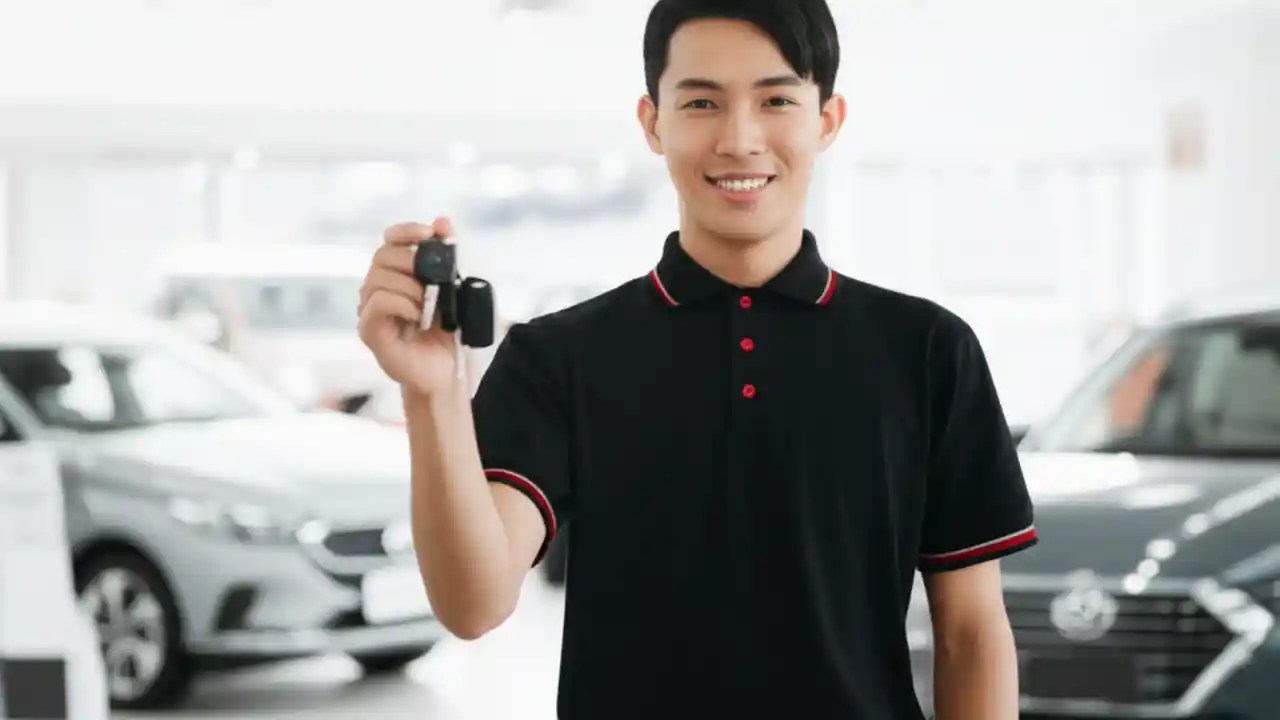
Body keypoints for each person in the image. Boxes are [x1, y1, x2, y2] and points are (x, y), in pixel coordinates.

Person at [356, 0, 1037, 717]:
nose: (740, 140)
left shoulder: (926, 350)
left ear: (826, 120)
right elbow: (472, 604)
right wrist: (431, 396)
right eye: (702, 102)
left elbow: (970, 633)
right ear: (653, 122)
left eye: (776, 99)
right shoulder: (559, 356)